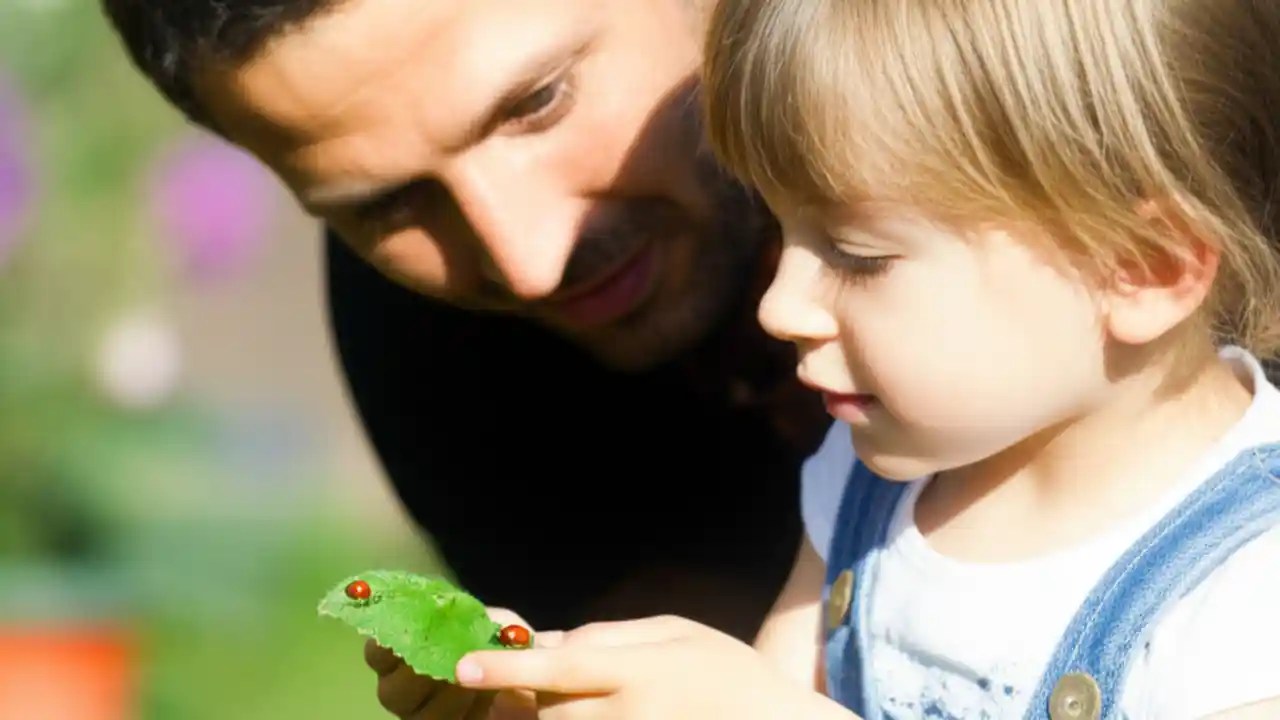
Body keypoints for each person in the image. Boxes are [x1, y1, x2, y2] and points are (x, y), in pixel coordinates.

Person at [439, 0, 1280, 718]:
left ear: (1139, 266)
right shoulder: (872, 482)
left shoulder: (1250, 584)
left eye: (855, 253)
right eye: (781, 228)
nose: (779, 304)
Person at [96, 1, 832, 715]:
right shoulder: (422, 324)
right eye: (389, 205)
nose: (529, 263)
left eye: (538, 102)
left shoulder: (939, 76)